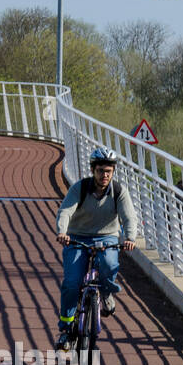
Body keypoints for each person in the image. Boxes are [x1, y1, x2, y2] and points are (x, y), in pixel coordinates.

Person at [54, 146, 140, 351]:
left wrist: (130, 237)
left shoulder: (119, 192)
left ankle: (107, 292)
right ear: (93, 170)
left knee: (110, 265)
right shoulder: (80, 188)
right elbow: (65, 212)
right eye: (101, 170)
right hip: (77, 237)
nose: (104, 175)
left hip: (107, 237)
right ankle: (66, 330)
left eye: (108, 171)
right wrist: (62, 232)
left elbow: (129, 218)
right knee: (72, 283)